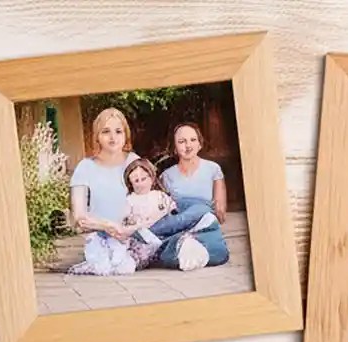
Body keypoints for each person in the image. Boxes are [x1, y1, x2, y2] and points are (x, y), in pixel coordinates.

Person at [66, 108, 153, 276]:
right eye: (106, 132)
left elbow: (147, 203)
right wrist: (108, 226)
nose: (113, 137)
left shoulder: (134, 162)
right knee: (103, 269)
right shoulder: (85, 167)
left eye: (118, 131)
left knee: (124, 268)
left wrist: (129, 229)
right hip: (99, 235)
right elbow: (79, 217)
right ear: (97, 136)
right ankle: (88, 265)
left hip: (131, 235)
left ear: (125, 135)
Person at [146, 122, 231, 272]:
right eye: (182, 141)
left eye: (193, 140)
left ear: (200, 144)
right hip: (178, 225)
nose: (188, 145)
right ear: (174, 147)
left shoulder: (213, 169)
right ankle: (184, 243)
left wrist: (202, 215)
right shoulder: (166, 176)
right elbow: (164, 211)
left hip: (205, 222)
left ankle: (150, 233)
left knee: (221, 253)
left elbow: (220, 214)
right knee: (168, 249)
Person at [119, 158, 217, 240]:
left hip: (167, 223)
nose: (141, 184)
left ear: (152, 179)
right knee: (177, 224)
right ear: (130, 184)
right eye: (136, 181)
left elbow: (173, 210)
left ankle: (199, 219)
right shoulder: (131, 200)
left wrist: (172, 212)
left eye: (143, 179)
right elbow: (124, 221)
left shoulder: (159, 195)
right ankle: (194, 225)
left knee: (184, 216)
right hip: (149, 229)